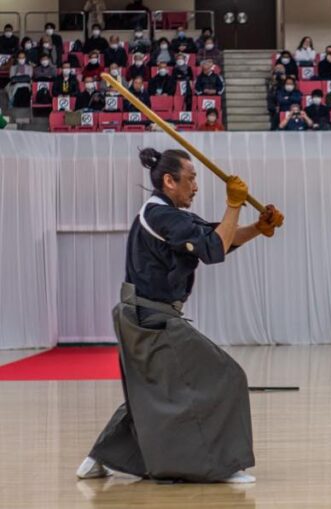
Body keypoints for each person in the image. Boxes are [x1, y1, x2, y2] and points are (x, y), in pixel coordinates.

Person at [76, 147, 283, 483]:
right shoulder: (161, 216)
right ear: (169, 181)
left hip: (147, 315)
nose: (196, 186)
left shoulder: (169, 215)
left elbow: (218, 240)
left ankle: (100, 459)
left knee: (154, 390)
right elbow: (213, 250)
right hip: (150, 318)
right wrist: (233, 205)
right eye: (191, 179)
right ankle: (223, 464)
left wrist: (258, 227)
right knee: (226, 377)